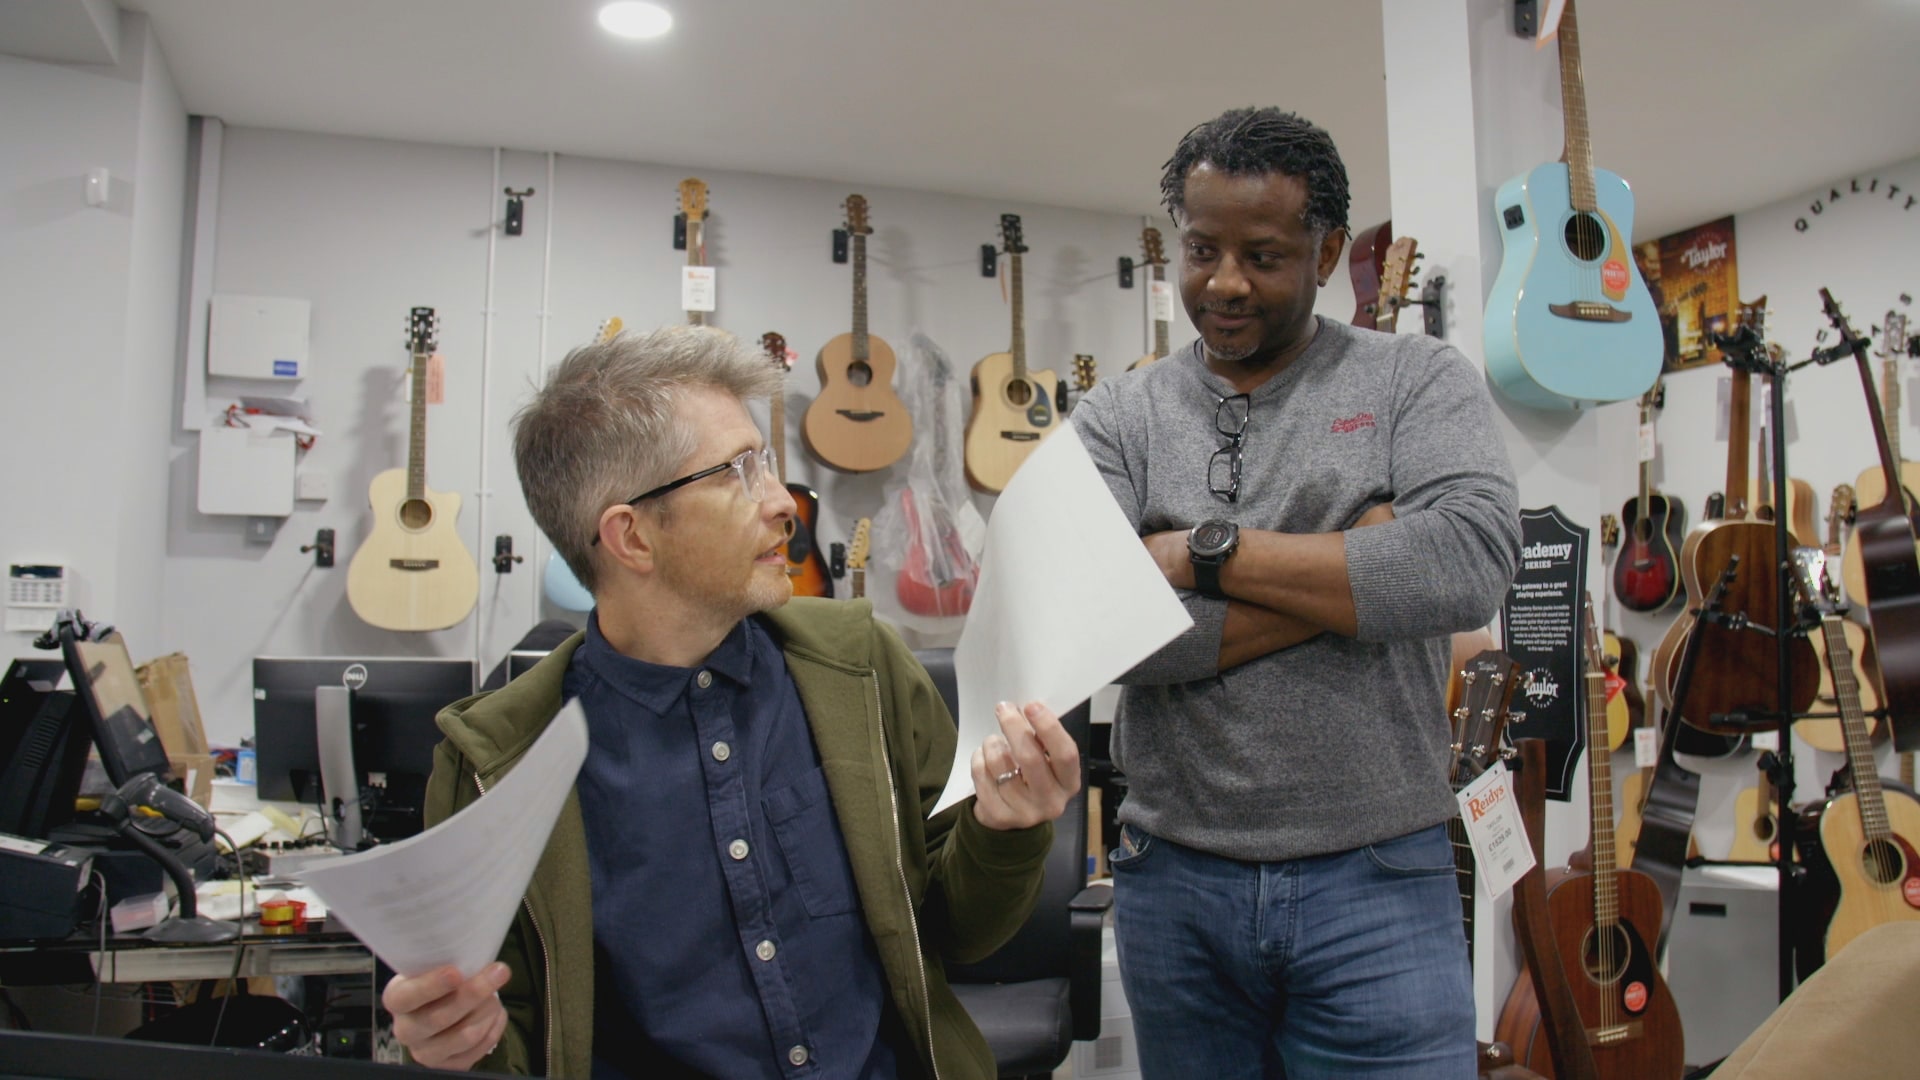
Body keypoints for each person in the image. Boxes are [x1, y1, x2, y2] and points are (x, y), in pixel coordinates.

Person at [381, 325, 1079, 1078]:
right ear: (632, 538)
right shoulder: (494, 765)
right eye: (738, 472)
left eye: (766, 462)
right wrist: (464, 1043)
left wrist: (1006, 829)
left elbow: (953, 931)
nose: (782, 502)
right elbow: (518, 1039)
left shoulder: (863, 667)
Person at [1069, 107, 1521, 1077]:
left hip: (1380, 878)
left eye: (1264, 255)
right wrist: (1354, 571)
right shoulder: (1117, 416)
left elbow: (1469, 565)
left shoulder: (1415, 382)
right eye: (1201, 250)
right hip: (1173, 885)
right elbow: (1099, 629)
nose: (1224, 283)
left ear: (1326, 254)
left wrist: (1198, 554)